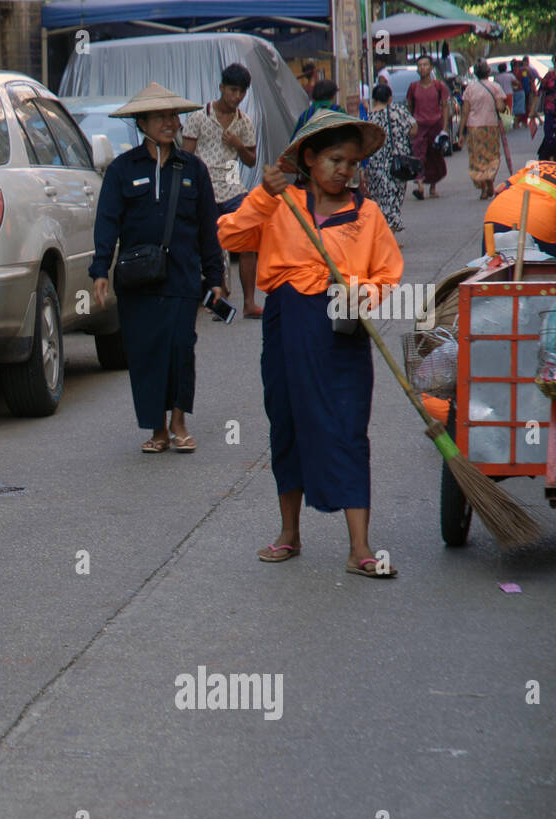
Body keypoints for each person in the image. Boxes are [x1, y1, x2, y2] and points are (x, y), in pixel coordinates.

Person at [217, 110, 404, 577]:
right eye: (335, 159)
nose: (345, 170)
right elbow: (231, 234)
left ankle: (359, 547)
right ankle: (289, 533)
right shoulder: (281, 204)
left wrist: (359, 293)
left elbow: (388, 275)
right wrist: (264, 195)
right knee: (289, 422)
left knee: (347, 427)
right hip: (288, 324)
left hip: (342, 329)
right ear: (308, 158)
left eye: (352, 162)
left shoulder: (368, 214)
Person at [91, 82, 226, 454]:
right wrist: (100, 270)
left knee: (182, 346)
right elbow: (107, 222)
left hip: (182, 276)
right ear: (142, 122)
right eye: (161, 117)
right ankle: (157, 429)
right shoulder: (122, 170)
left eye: (174, 116)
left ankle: (179, 421)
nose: (170, 123)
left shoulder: (192, 169)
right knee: (146, 351)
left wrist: (215, 278)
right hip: (137, 281)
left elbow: (207, 227)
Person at [182, 63, 262, 317]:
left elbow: (251, 159)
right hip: (204, 188)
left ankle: (249, 302)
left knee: (248, 237)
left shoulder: (244, 122)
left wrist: (238, 144)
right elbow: (186, 156)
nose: (237, 97)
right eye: (233, 90)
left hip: (232, 186)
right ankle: (221, 294)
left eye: (242, 92)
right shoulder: (198, 117)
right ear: (222, 88)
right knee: (211, 243)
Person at [480, 158, 556, 260]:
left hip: (496, 215)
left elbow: (501, 189)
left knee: (490, 267)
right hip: (537, 225)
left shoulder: (540, 164)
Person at [363, 82, 416, 233]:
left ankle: (384, 231)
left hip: (375, 165)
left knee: (380, 198)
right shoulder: (398, 110)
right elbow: (414, 129)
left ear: (373, 99)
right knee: (394, 197)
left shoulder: (369, 117)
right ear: (390, 98)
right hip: (398, 162)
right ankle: (389, 233)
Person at [457, 61, 507, 199]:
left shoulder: (469, 89)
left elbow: (465, 111)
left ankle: (483, 185)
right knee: (492, 155)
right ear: (488, 71)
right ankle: (490, 178)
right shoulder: (495, 87)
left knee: (476, 157)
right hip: (491, 126)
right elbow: (500, 107)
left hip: (474, 127)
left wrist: (460, 133)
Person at [407, 55, 451, 199]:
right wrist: (410, 126)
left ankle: (433, 186)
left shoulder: (439, 86)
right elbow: (410, 108)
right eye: (419, 65)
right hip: (419, 127)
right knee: (418, 155)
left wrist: (444, 128)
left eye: (425, 65)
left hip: (435, 126)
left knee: (434, 157)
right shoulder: (413, 87)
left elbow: (445, 107)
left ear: (431, 68)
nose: (422, 68)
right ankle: (420, 186)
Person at [512, 57, 540, 129]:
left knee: (519, 107)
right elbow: (525, 80)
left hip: (515, 91)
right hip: (523, 91)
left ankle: (518, 122)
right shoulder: (523, 71)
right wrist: (527, 90)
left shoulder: (513, 71)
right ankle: (521, 122)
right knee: (525, 106)